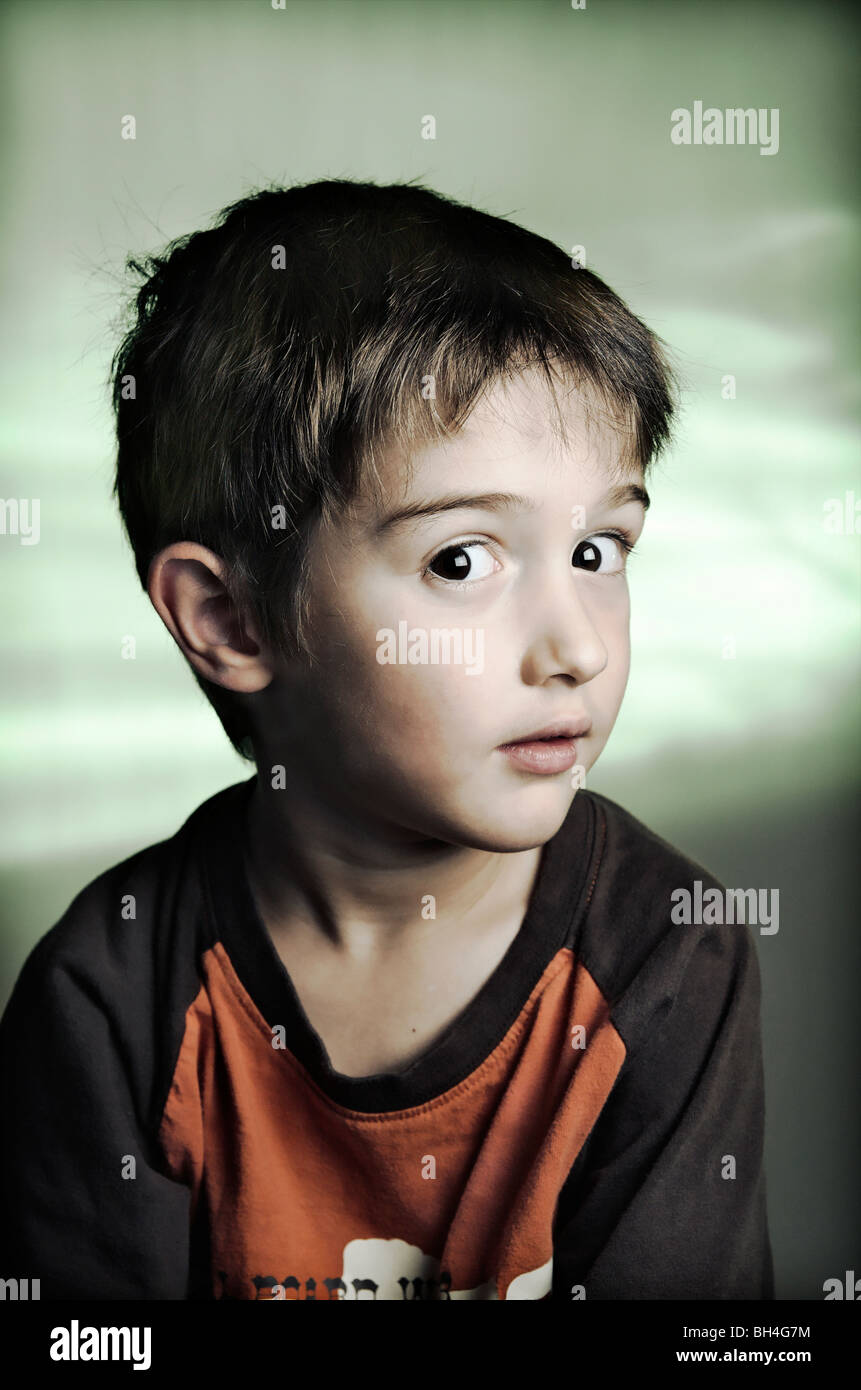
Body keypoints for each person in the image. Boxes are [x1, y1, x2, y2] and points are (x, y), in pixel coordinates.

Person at [0, 179, 773, 1300]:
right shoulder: (111, 991)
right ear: (230, 619)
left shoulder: (667, 955)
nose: (578, 650)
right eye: (461, 560)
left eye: (601, 549)